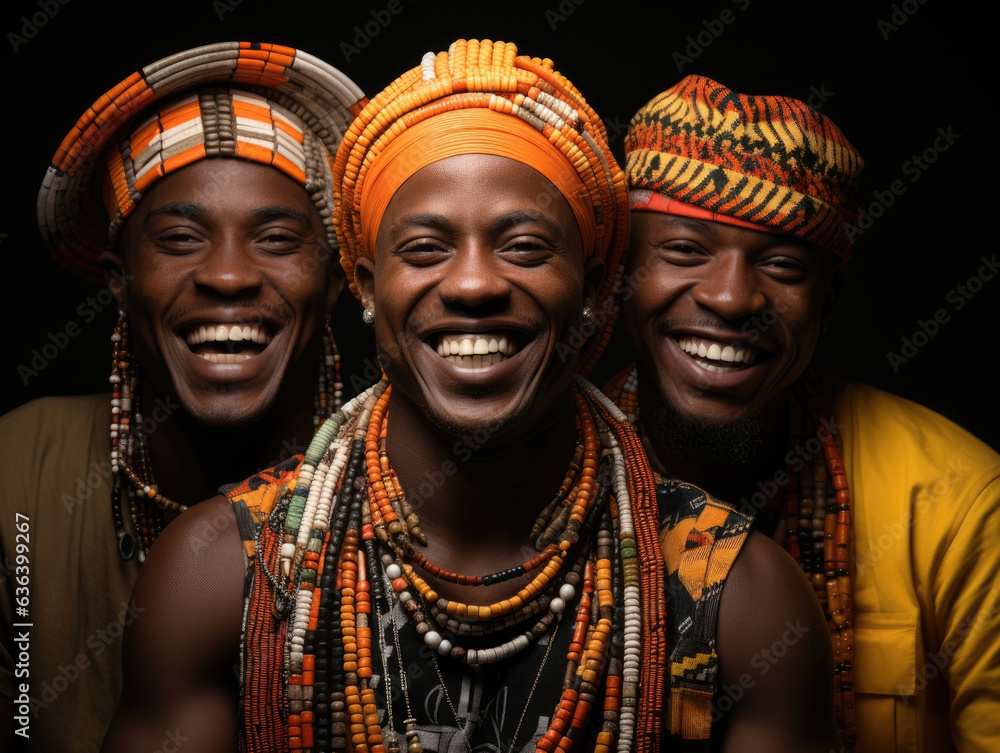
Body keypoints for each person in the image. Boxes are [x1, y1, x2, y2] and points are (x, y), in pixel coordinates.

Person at [102, 40, 842, 753]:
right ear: (365, 287)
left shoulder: (739, 596)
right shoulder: (222, 571)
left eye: (523, 246)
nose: (474, 284)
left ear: (590, 289)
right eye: (426, 249)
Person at [607, 75, 1000, 752]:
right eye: (684, 250)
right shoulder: (538, 472)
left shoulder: (959, 499)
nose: (731, 298)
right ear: (618, 269)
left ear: (830, 294)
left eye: (783, 264)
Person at [0, 41, 366, 752]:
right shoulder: (18, 476)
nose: (228, 275)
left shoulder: (401, 483)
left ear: (336, 279)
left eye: (277, 237)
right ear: (119, 279)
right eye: (179, 238)